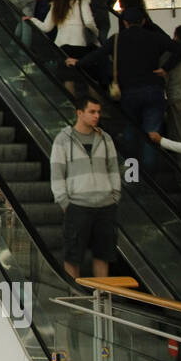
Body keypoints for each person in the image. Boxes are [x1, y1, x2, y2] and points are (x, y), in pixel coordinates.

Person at [71, 8, 181, 171]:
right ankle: (150, 174)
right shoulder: (154, 37)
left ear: (124, 22)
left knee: (131, 131)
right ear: (143, 21)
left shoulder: (117, 39)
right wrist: (166, 68)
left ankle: (132, 173)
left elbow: (97, 55)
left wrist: (78, 62)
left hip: (129, 91)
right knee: (152, 132)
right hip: (153, 89)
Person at [50, 97, 121, 279]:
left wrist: (114, 196)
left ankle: (102, 301)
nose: (97, 116)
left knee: (103, 255)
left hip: (105, 206)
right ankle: (74, 301)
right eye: (92, 112)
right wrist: (64, 202)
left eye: (98, 112)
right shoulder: (63, 140)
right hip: (77, 206)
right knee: (73, 257)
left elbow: (113, 168)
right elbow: (57, 172)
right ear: (79, 113)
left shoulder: (105, 139)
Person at [29, 0, 97, 60]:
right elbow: (89, 22)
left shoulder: (57, 4)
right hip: (79, 44)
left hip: (60, 46)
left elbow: (46, 27)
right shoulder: (82, 1)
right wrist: (96, 33)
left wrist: (32, 19)